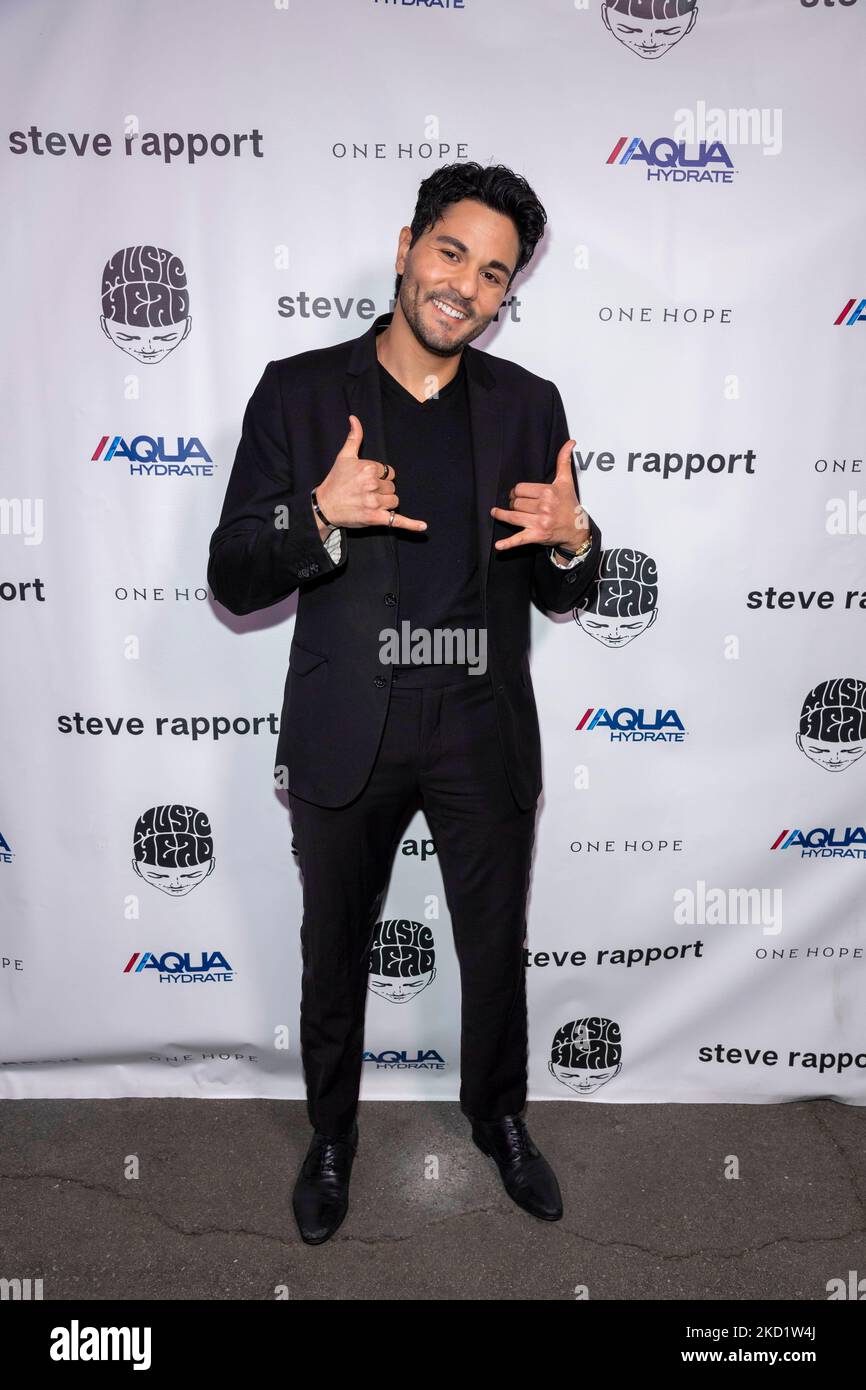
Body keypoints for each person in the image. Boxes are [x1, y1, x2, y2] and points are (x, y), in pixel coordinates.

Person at [207, 161, 603, 1245]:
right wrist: (315, 516)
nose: (464, 287)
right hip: (348, 728)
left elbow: (564, 584)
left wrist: (577, 543)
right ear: (403, 247)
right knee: (332, 947)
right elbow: (233, 573)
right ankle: (330, 1137)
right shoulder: (296, 390)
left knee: (492, 944)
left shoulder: (529, 406)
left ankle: (499, 1117)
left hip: (480, 728)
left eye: (492, 274)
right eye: (449, 254)